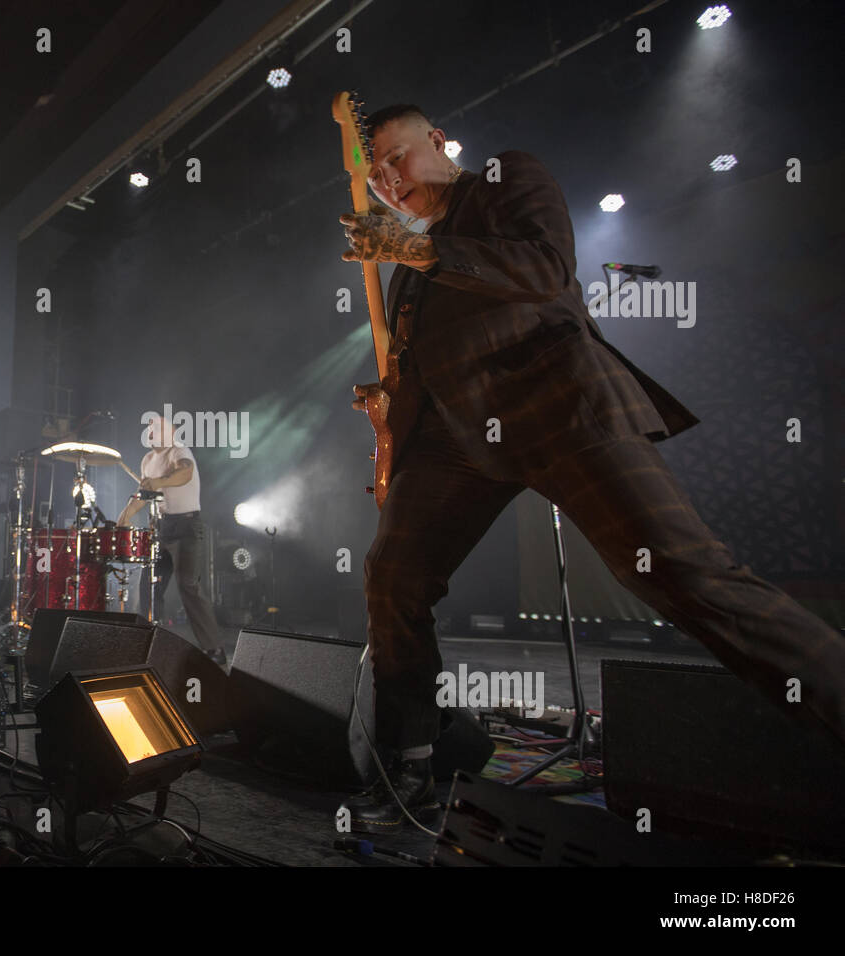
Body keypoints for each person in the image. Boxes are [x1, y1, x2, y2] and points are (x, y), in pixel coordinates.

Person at [336, 103, 845, 832]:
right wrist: (388, 403)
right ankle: (408, 767)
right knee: (393, 576)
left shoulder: (505, 179)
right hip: (456, 439)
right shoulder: (409, 266)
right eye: (374, 171)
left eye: (395, 156)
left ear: (440, 141)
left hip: (557, 401)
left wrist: (414, 251)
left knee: (686, 574)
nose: (386, 179)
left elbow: (544, 270)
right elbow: (418, 365)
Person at [117, 415, 227, 668]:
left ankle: (214, 648)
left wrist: (159, 482)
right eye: (150, 427)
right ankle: (148, 644)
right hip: (162, 527)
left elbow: (184, 473)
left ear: (172, 432)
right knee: (149, 586)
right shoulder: (147, 460)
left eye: (158, 427)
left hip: (187, 526)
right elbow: (143, 495)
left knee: (189, 585)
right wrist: (124, 517)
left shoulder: (179, 451)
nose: (152, 430)